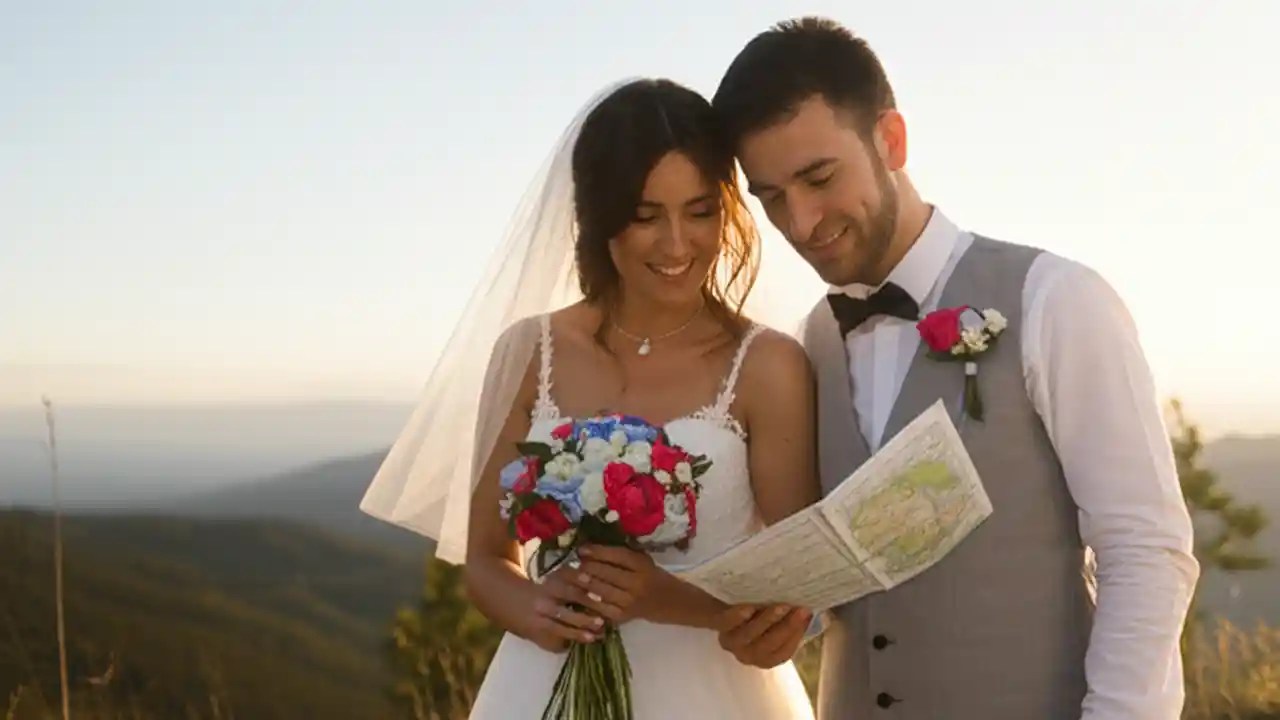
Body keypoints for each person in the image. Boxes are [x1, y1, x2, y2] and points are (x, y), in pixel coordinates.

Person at [708, 17, 1201, 720]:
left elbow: (1146, 551)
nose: (802, 222)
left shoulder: (1054, 299)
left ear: (892, 140)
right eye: (772, 197)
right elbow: (830, 575)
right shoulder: (805, 343)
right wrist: (787, 621)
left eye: (819, 178)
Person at [360, 78, 819, 718]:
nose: (678, 245)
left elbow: (792, 594)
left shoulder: (768, 365)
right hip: (543, 687)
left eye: (699, 210)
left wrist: (664, 598)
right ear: (597, 217)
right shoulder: (529, 353)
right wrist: (534, 609)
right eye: (645, 216)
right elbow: (488, 559)